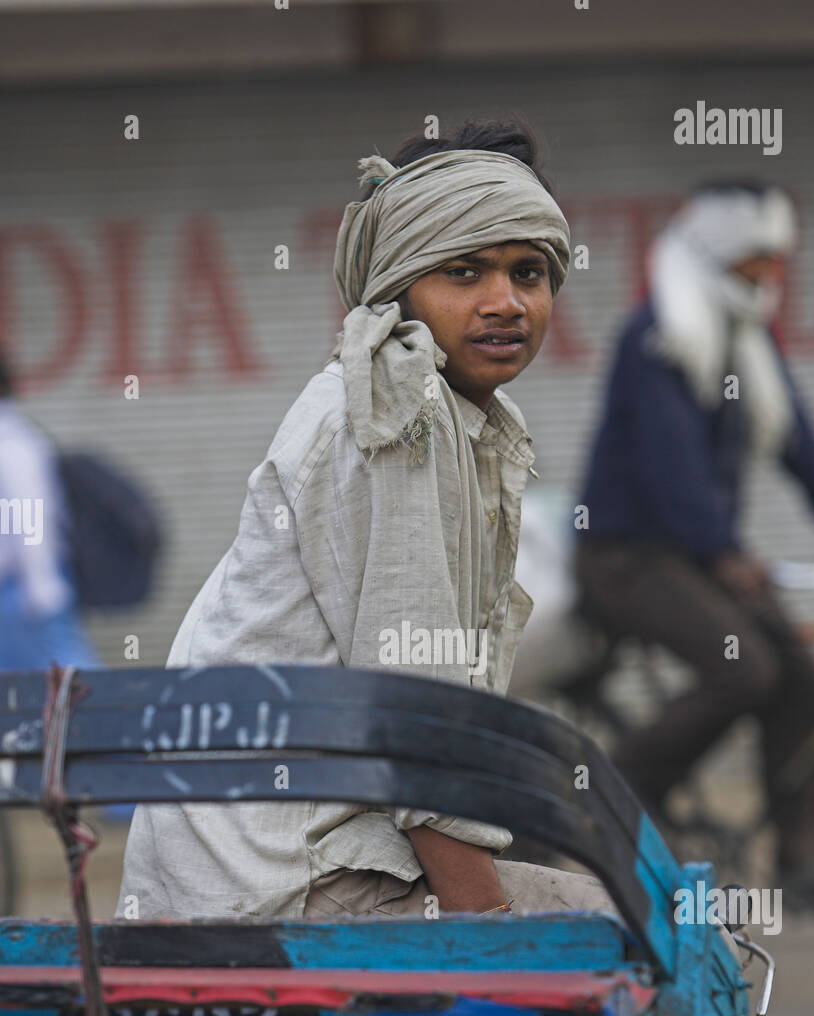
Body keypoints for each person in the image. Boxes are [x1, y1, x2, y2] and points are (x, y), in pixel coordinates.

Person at [117, 118, 614, 923]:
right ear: (398, 285)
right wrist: (486, 936)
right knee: (662, 946)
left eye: (528, 272)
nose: (506, 302)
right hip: (278, 877)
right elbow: (415, 698)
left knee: (660, 928)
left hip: (300, 850)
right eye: (464, 271)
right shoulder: (393, 411)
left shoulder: (451, 410)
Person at [576, 182, 814, 899]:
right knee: (746, 669)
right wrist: (723, 552)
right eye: (757, 263)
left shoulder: (746, 340)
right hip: (625, 557)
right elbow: (673, 469)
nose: (772, 278)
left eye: (775, 263)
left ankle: (805, 859)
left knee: (805, 677)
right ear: (721, 260)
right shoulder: (659, 335)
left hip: (698, 555)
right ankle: (619, 793)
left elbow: (805, 452)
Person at [0, 356, 98, 671]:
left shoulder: (11, 443)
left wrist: (41, 587)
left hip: (22, 593)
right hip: (19, 591)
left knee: (74, 686)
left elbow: (29, 513)